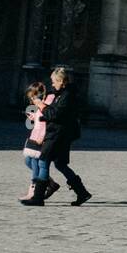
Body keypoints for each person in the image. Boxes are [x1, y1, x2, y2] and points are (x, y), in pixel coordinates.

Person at [25, 66, 91, 206]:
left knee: (43, 161)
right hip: (60, 133)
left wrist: (41, 106)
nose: (52, 84)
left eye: (54, 81)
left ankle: (38, 197)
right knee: (60, 164)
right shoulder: (59, 93)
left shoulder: (67, 95)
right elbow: (53, 114)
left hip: (58, 134)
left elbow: (55, 114)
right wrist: (37, 116)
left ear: (61, 81)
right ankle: (82, 193)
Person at [20, 81, 56, 202]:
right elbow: (37, 121)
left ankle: (34, 190)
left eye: (32, 96)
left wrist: (44, 136)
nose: (31, 100)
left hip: (43, 136)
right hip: (35, 134)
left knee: (36, 162)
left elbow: (49, 118)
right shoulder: (38, 103)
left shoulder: (48, 100)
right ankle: (49, 183)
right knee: (28, 160)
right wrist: (33, 117)